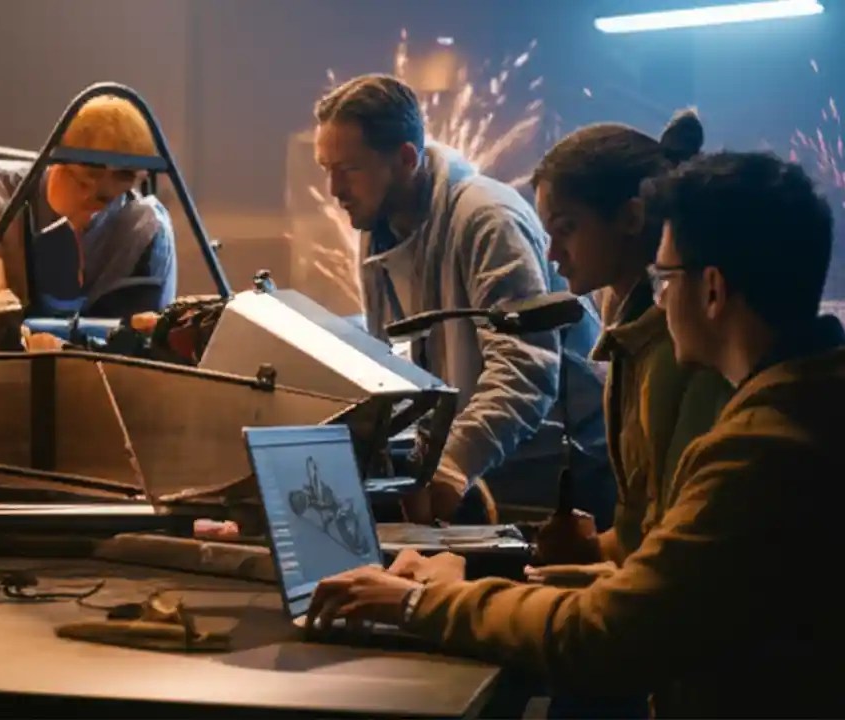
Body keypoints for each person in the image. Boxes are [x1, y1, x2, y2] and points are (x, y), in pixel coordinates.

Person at [306, 151, 845, 717]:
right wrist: (508, 582)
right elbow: (674, 590)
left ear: (712, 290)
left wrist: (422, 603)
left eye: (664, 280)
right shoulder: (801, 407)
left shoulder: (762, 452)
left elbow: (609, 635)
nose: (659, 299)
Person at [314, 74, 608, 524]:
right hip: (485, 474)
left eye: (349, 169)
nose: (334, 190)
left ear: (406, 159)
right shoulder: (377, 226)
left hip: (561, 480)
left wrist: (451, 466)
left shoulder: (488, 219)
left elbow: (525, 370)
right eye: (326, 170)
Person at [531, 110, 733, 574]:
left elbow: (676, 558)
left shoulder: (682, 349)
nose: (553, 254)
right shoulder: (633, 331)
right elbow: (641, 536)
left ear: (631, 217)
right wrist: (591, 549)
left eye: (566, 229)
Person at [0, 94, 178, 322]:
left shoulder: (142, 230)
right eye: (84, 183)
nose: (92, 205)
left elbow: (148, 330)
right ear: (57, 159)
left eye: (107, 198)